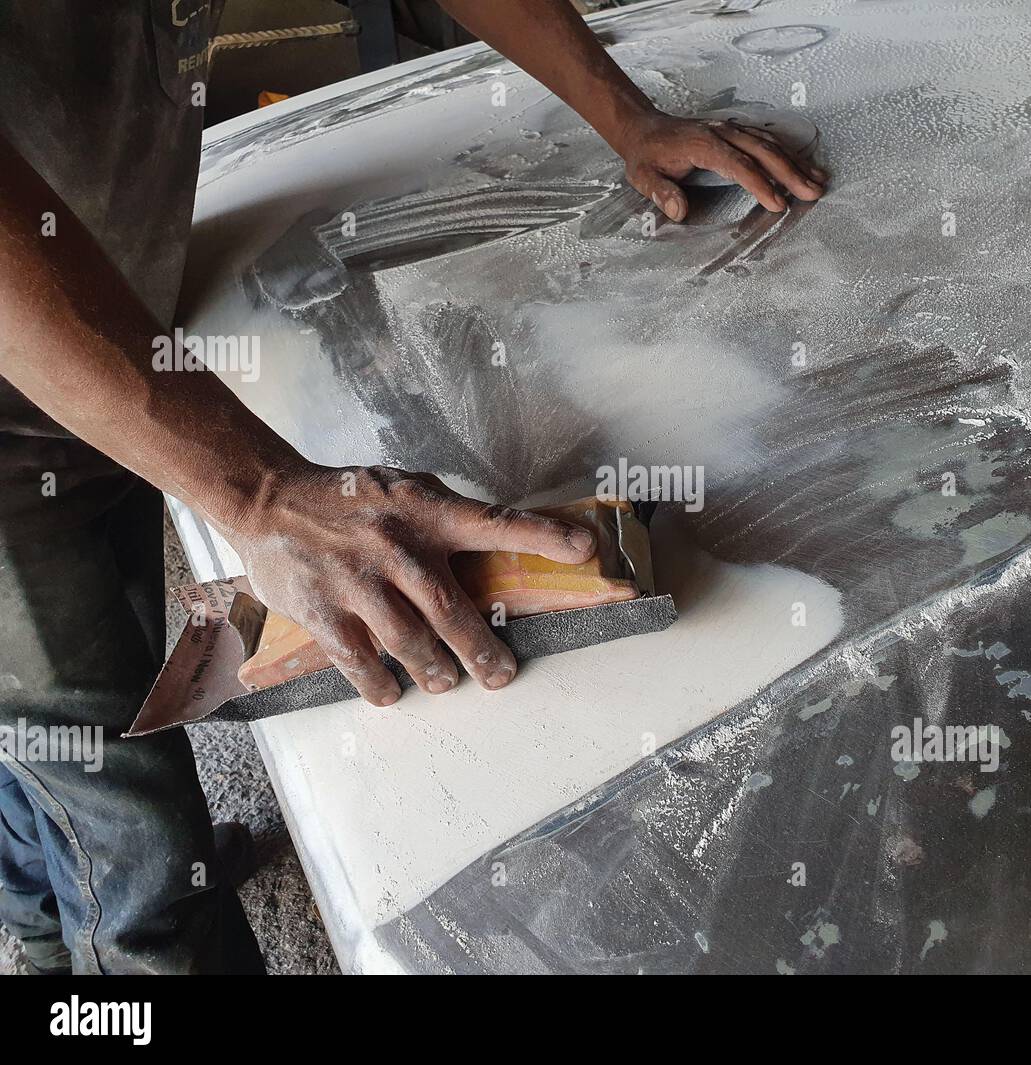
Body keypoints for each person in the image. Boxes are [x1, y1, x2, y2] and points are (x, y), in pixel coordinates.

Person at [0, 0, 825, 973]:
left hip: (106, 342)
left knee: (83, 711)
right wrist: (263, 497)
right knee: (133, 847)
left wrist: (623, 114)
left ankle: (38, 912)